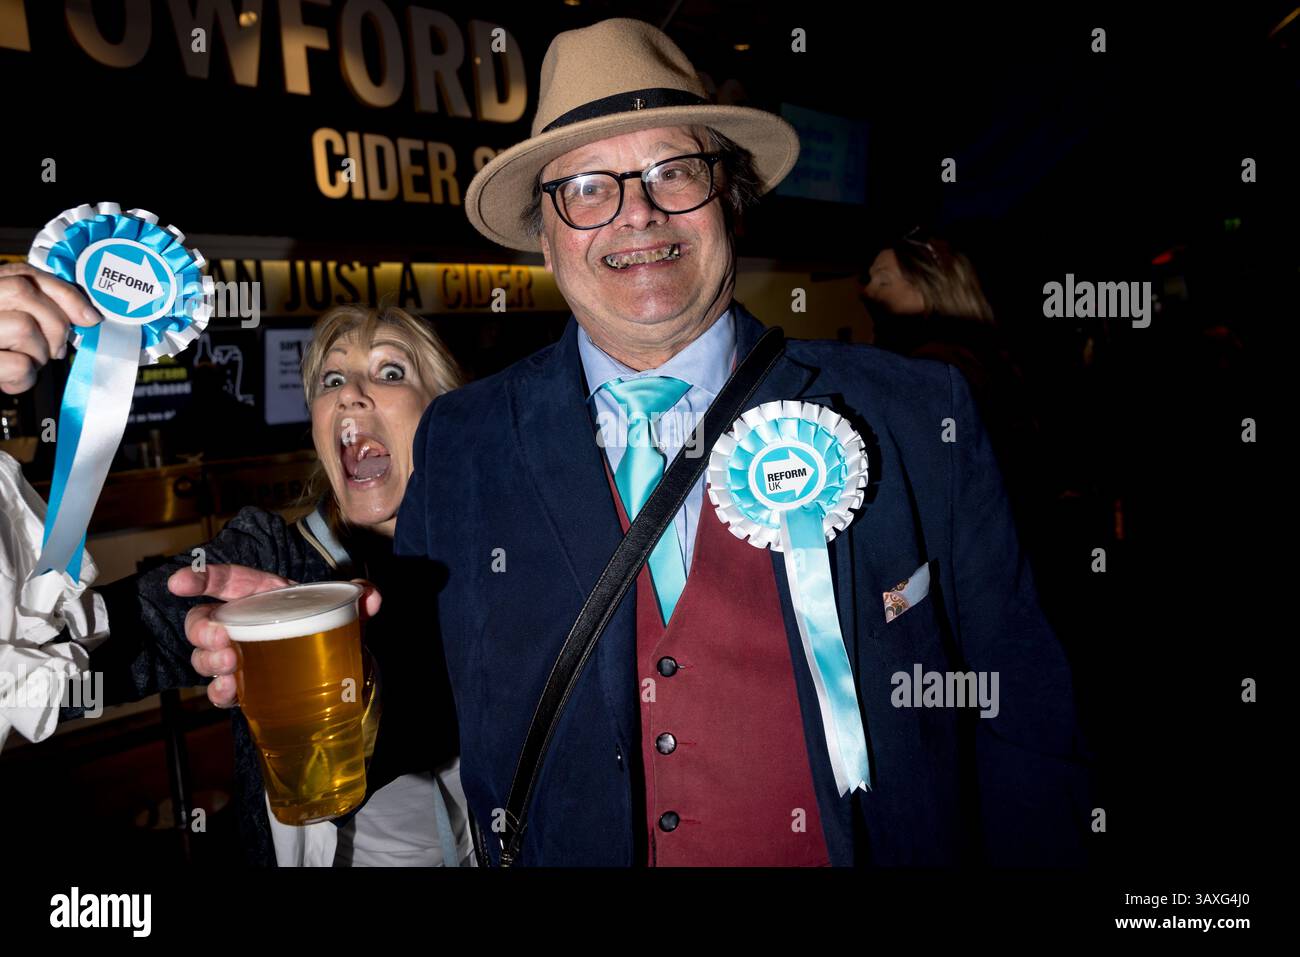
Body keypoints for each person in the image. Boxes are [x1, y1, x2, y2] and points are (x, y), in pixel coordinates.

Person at [193, 18, 1090, 866]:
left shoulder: (916, 411)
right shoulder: (464, 440)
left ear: (728, 199)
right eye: (587, 189)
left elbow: (1025, 719)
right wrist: (338, 678)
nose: (638, 215)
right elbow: (434, 712)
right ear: (545, 237)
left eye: (676, 172)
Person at [5, 292, 474, 865]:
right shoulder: (269, 558)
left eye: (390, 371)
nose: (349, 392)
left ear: (446, 413)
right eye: (330, 381)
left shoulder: (501, 551)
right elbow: (76, 645)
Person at [861, 229, 1044, 541]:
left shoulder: (934, 369)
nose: (868, 291)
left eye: (883, 280)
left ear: (929, 287)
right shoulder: (987, 356)